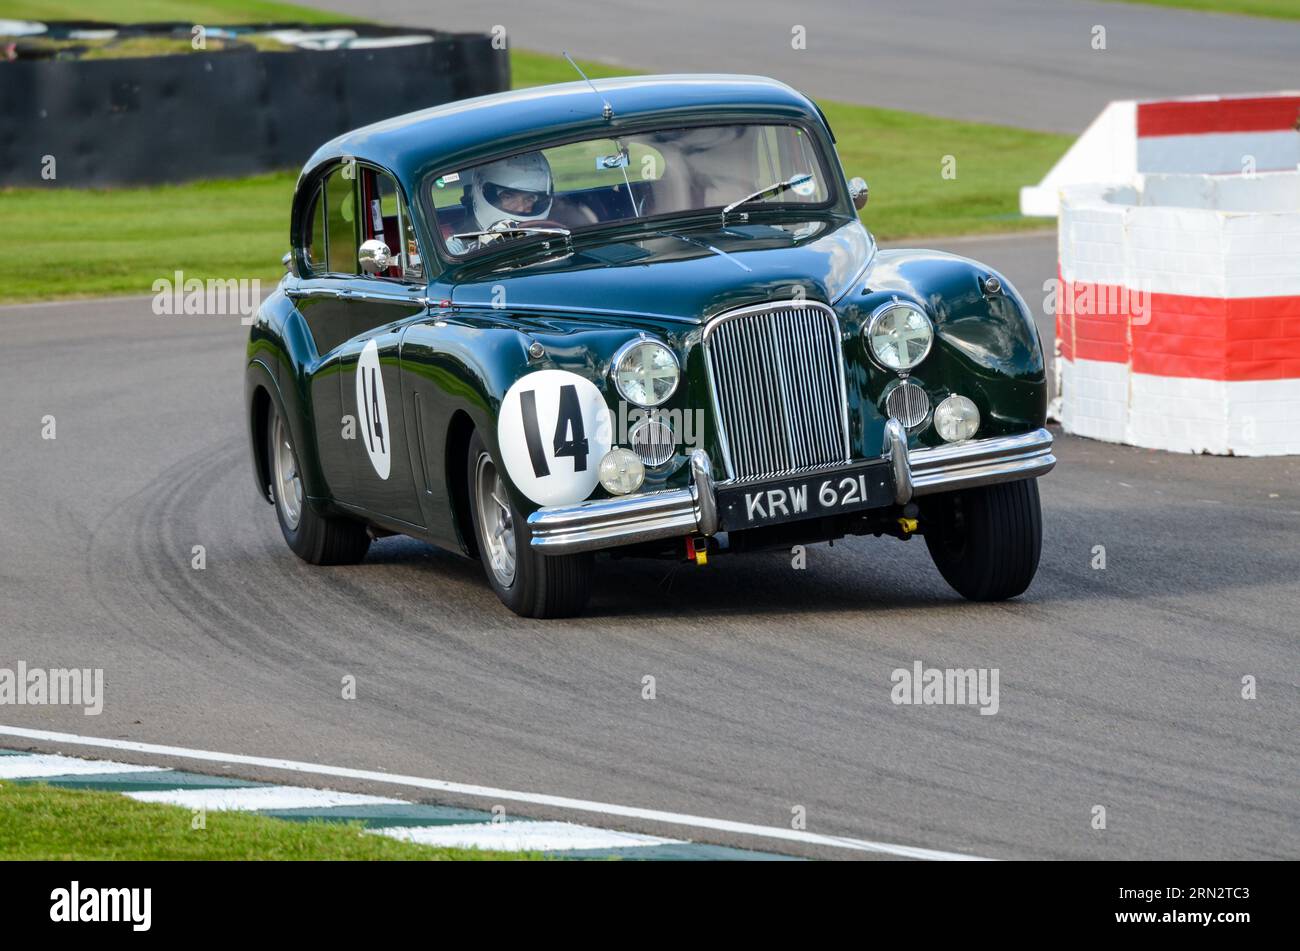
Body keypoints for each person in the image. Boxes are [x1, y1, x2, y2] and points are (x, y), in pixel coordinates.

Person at [445, 152, 554, 254]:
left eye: (530, 198)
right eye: (508, 197)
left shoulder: (555, 234)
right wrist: (480, 249)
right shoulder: (458, 246)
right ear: (484, 192)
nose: (521, 208)